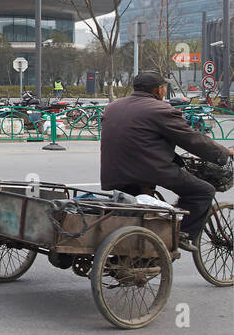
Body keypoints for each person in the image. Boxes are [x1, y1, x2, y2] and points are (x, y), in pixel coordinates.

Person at [100, 70, 234, 252]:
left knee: (133, 207)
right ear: (158, 90)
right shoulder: (160, 110)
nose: (165, 90)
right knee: (203, 191)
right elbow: (191, 139)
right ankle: (182, 234)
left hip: (113, 171)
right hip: (148, 169)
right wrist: (224, 153)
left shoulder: (113, 106)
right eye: (164, 87)